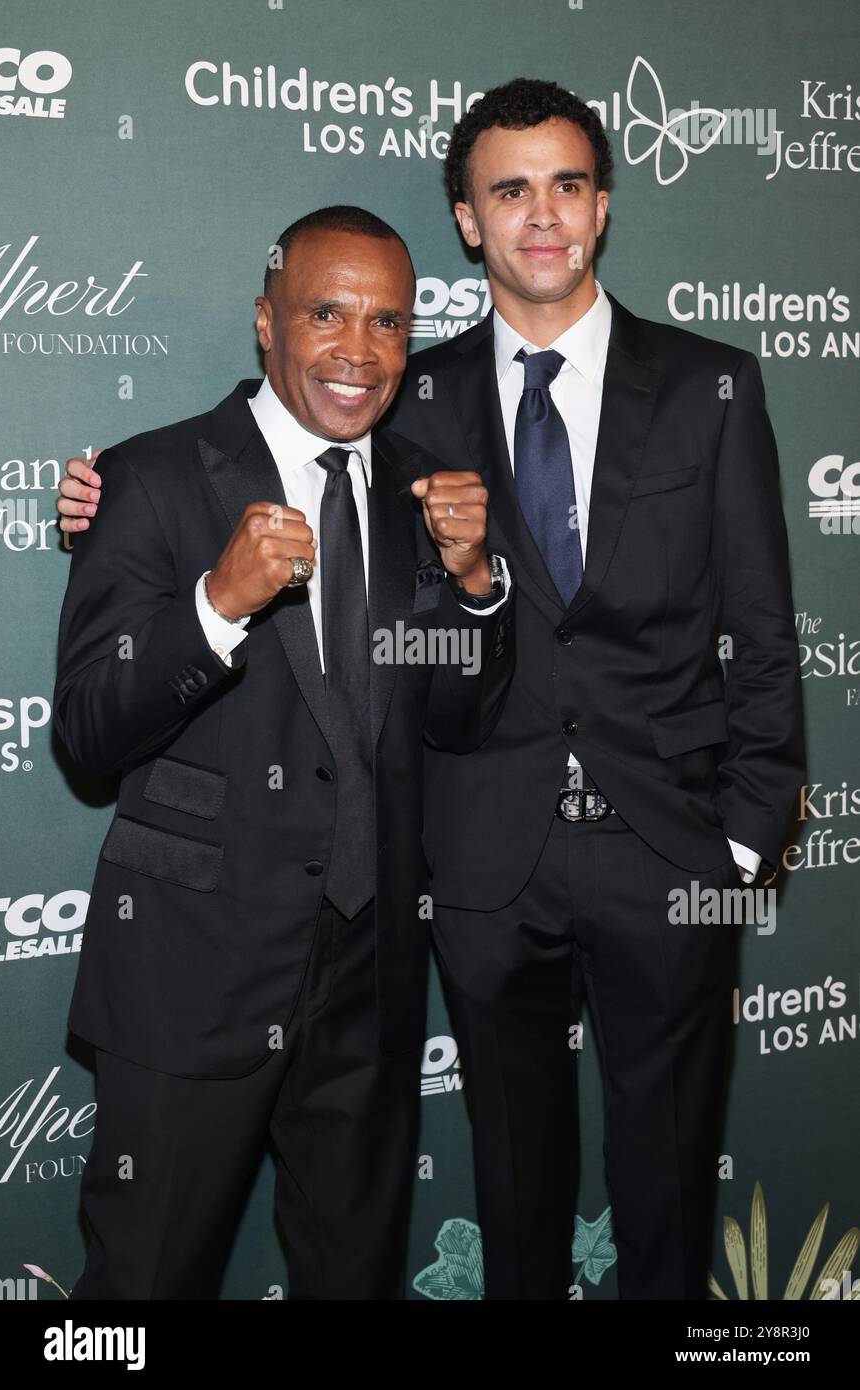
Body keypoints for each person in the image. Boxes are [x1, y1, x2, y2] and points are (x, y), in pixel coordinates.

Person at [59, 79, 806, 1302]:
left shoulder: (708, 386)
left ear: (603, 204)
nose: (542, 217)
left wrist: (740, 844)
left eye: (565, 184)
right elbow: (150, 615)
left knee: (663, 1186)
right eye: (509, 189)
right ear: (470, 220)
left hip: (660, 858)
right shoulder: (419, 402)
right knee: (506, 1192)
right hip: (467, 876)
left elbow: (766, 632)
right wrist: (123, 524)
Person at [53, 204, 514, 1301]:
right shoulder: (152, 477)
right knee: (142, 1283)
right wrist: (217, 605)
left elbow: (459, 720)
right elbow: (85, 732)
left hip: (371, 969)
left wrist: (475, 587)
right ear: (266, 323)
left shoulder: (423, 492)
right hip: (192, 967)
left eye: (389, 323)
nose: (358, 352)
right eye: (326, 314)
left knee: (351, 1274)